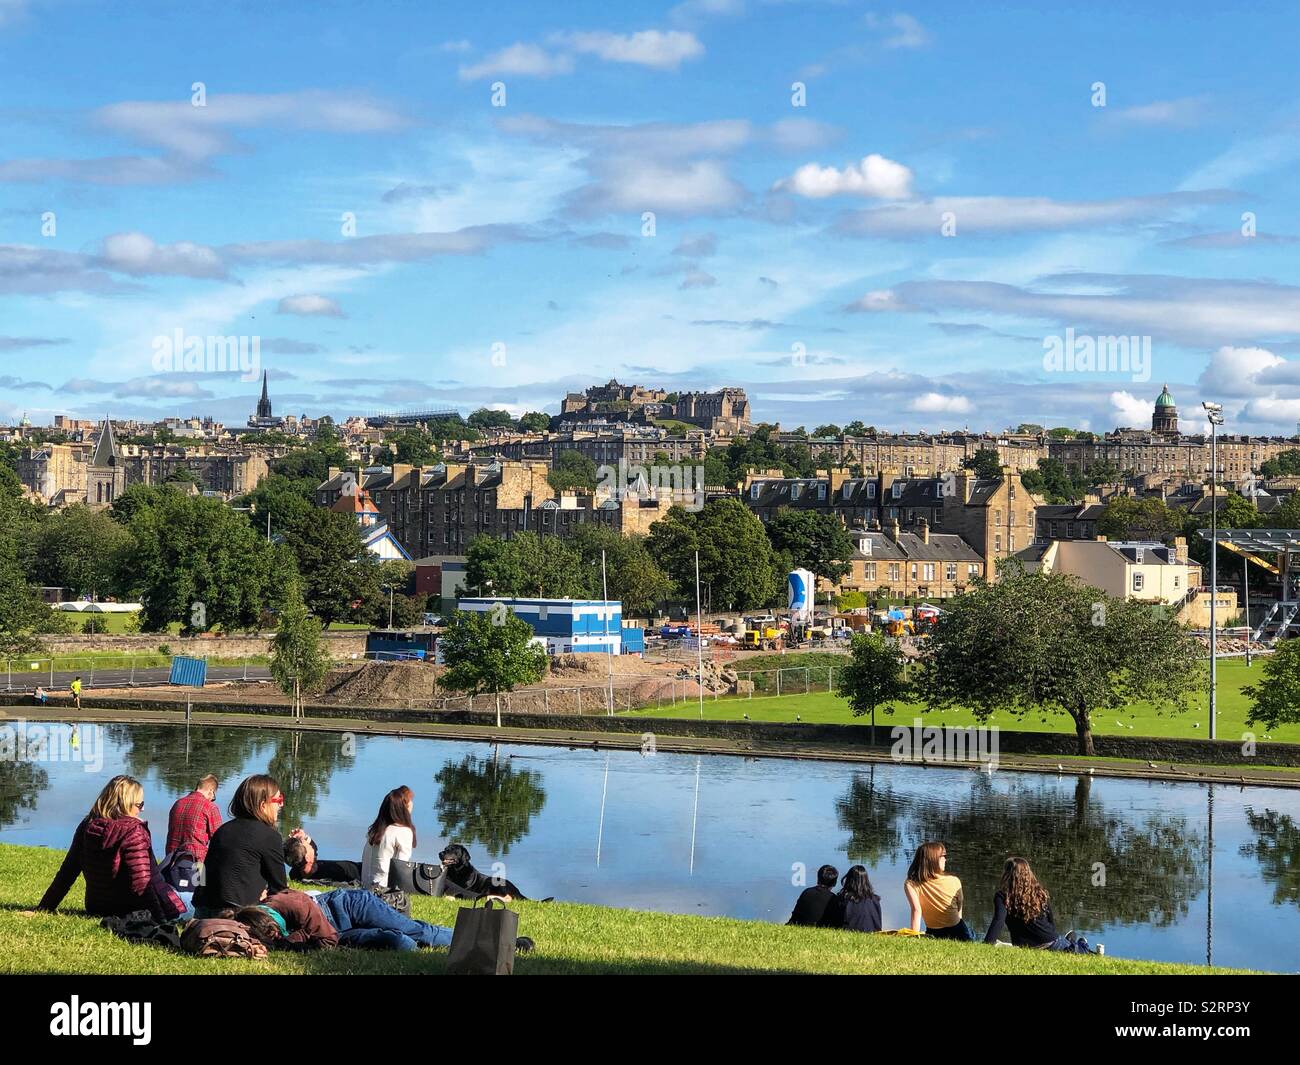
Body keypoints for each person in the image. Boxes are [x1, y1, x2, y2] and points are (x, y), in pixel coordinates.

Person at [36, 775, 185, 923]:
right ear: (126, 804)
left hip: (96, 907)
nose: (142, 809)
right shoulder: (134, 831)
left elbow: (68, 872)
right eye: (140, 805)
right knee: (188, 898)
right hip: (132, 909)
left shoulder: (87, 824)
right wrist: (161, 921)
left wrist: (44, 907)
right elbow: (142, 883)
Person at [192, 774, 287, 915]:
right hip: (238, 917)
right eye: (278, 799)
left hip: (202, 912)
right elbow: (280, 890)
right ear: (263, 805)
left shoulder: (222, 830)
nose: (281, 804)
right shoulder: (269, 836)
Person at [983, 857, 1092, 952]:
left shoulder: (1002, 896)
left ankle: (1080, 942)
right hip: (1051, 942)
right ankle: (1070, 940)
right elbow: (1051, 921)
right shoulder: (1040, 892)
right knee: (1067, 945)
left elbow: (998, 921)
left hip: (1041, 944)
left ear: (1007, 874)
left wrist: (987, 944)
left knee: (1082, 949)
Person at [904, 841, 972, 940]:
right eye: (943, 856)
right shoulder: (954, 880)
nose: (945, 859)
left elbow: (916, 910)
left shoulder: (911, 884)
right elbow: (959, 906)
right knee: (970, 934)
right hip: (959, 931)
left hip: (933, 932)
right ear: (933, 859)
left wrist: (914, 937)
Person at [361, 785, 416, 890]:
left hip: (366, 886)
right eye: (410, 801)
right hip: (384, 889)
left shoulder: (375, 830)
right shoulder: (403, 831)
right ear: (405, 806)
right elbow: (401, 870)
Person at [166, 775, 222, 864]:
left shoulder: (177, 803)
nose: (212, 799)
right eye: (213, 797)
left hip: (171, 862)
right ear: (211, 791)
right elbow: (219, 839)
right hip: (195, 863)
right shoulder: (210, 807)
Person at [820, 865, 883, 933]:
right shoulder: (874, 899)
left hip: (848, 933)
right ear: (866, 880)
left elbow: (836, 923)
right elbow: (878, 923)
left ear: (848, 879)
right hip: (872, 934)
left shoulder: (843, 898)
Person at [284, 828, 361, 883]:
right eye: (308, 845)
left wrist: (303, 837)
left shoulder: (296, 872)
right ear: (307, 857)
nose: (311, 846)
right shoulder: (324, 875)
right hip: (360, 873)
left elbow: (314, 851)